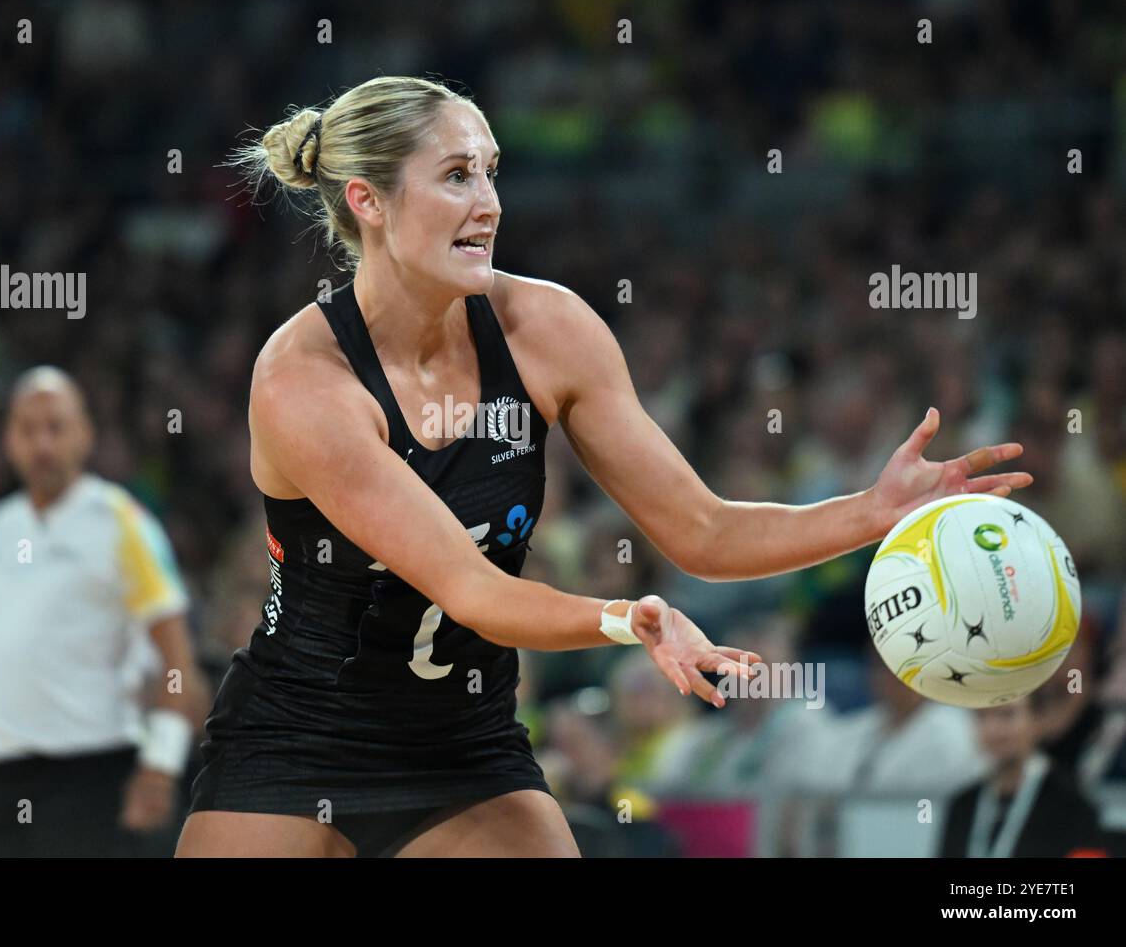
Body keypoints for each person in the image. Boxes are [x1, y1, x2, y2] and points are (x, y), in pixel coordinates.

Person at [177, 75, 1033, 858]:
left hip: (461, 743)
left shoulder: (550, 330)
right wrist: (631, 619)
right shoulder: (305, 380)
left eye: (491, 172)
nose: (489, 203)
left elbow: (702, 530)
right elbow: (475, 593)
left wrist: (872, 511)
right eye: (456, 177)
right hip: (293, 737)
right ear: (366, 200)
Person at [0, 367, 208, 856]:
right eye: (27, 429)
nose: (42, 445)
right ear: (9, 440)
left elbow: (177, 660)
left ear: (85, 434)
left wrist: (160, 765)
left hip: (91, 777)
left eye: (56, 427)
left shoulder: (122, 522)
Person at [939, 697, 1104, 857]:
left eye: (1007, 714)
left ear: (1038, 720)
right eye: (981, 716)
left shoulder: (1072, 803)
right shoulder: (963, 804)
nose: (993, 729)